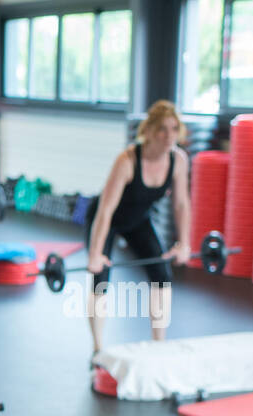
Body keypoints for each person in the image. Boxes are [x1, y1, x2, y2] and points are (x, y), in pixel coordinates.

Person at [84, 100, 191, 362]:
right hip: (106, 219)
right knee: (100, 281)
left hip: (138, 221)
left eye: (174, 129)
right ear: (150, 131)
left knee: (162, 274)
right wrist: (95, 254)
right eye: (163, 130)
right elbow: (106, 210)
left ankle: (159, 344)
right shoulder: (128, 160)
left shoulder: (178, 160)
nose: (169, 136)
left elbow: (181, 204)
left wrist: (184, 243)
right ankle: (98, 350)